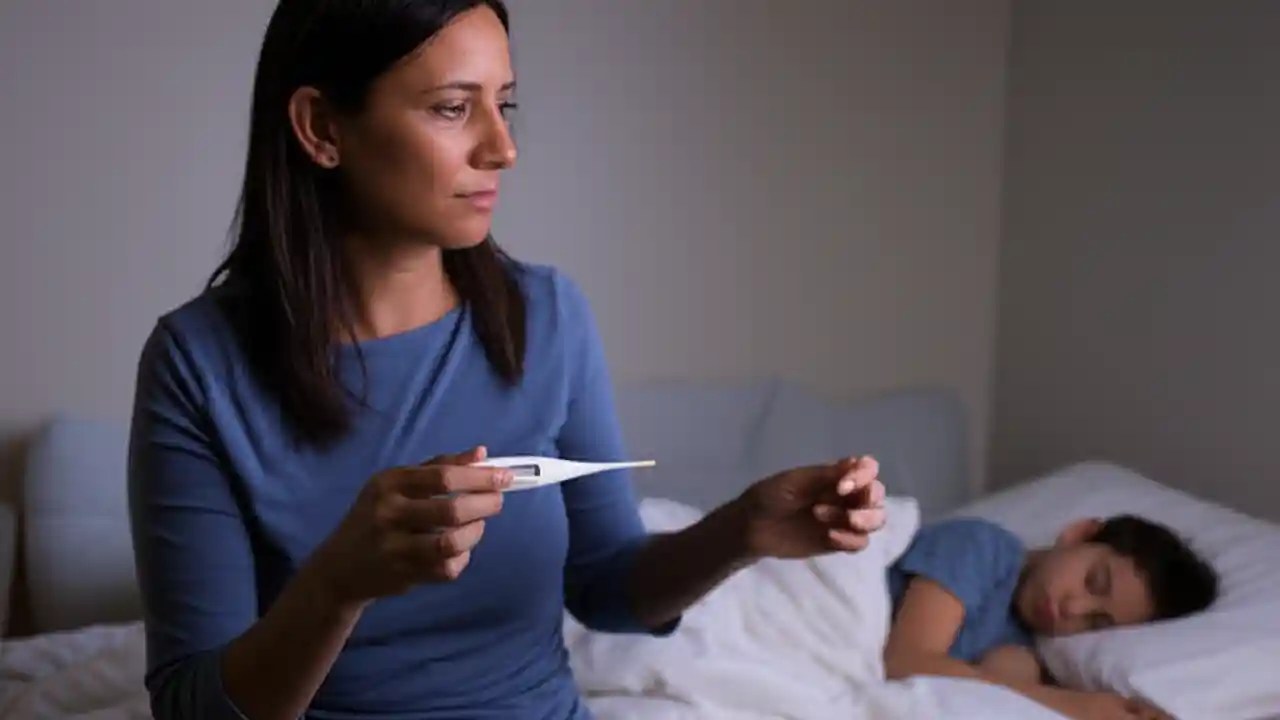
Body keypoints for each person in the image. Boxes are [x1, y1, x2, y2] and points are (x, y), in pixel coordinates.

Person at [126, 2, 888, 719]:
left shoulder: (546, 317)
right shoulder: (197, 365)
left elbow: (607, 588)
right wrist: (336, 586)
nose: (503, 148)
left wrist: (742, 530)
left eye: (505, 104)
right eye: (454, 108)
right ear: (322, 127)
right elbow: (192, 705)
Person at [882, 513, 1218, 720]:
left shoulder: (1024, 650)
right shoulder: (981, 547)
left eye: (1096, 623)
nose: (1074, 610)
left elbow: (984, 703)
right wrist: (1072, 705)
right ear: (1078, 534)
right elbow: (904, 660)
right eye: (1093, 581)